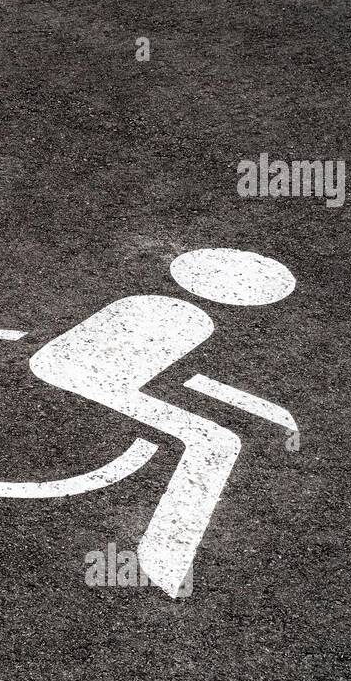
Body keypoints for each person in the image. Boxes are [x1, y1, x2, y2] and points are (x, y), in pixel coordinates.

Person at [28, 248, 296, 597]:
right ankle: (164, 557)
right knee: (216, 441)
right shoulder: (186, 318)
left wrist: (254, 408)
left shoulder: (162, 307)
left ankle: (165, 558)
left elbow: (177, 381)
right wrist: (256, 409)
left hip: (84, 374)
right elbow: (173, 382)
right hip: (83, 379)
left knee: (216, 436)